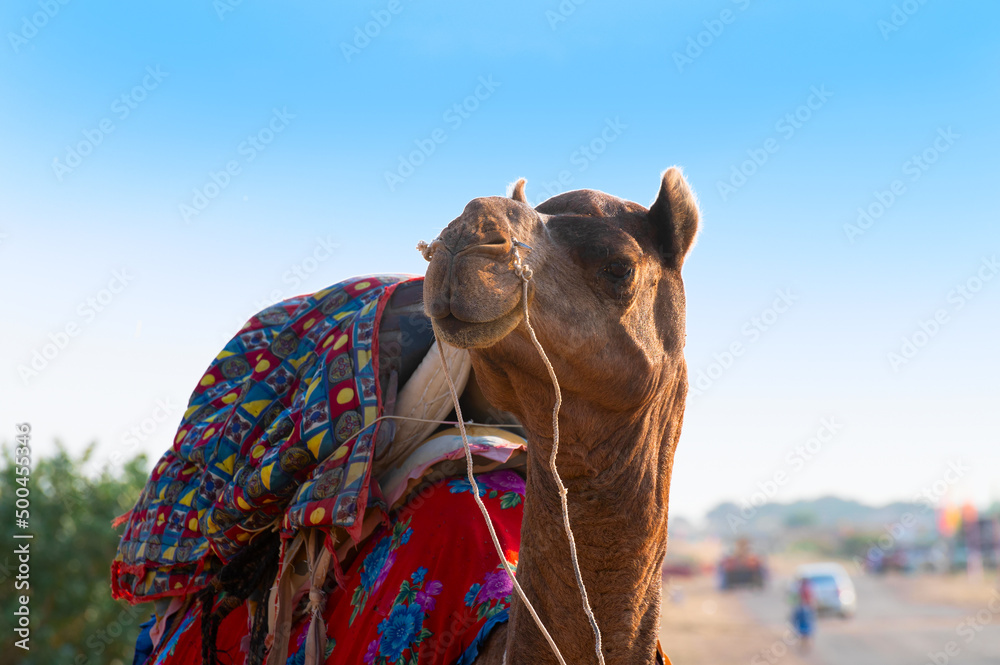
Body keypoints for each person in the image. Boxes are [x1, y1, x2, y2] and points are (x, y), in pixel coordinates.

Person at [792, 577, 816, 653]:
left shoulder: (800, 588)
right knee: (808, 628)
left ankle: (803, 646)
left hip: (801, 608)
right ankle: (806, 646)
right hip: (806, 608)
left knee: (800, 628)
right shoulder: (808, 588)